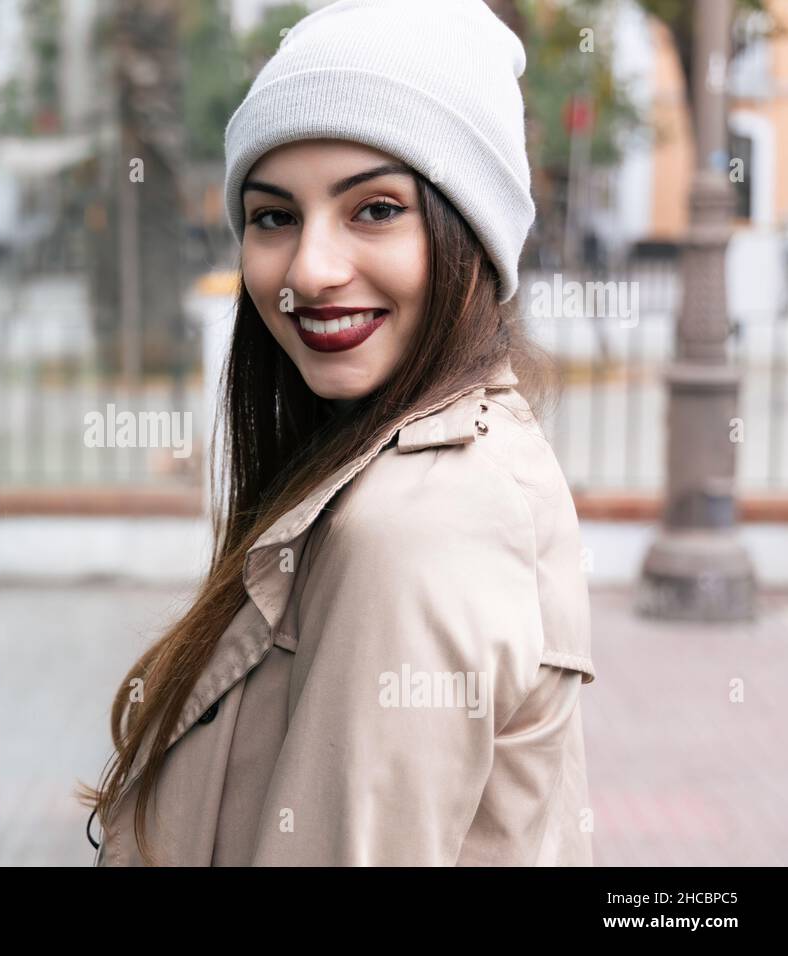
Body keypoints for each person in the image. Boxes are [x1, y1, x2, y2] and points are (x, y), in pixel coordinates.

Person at [83, 0, 596, 866]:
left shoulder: (417, 527)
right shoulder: (411, 464)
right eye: (275, 216)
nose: (311, 272)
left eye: (375, 209)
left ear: (472, 235)